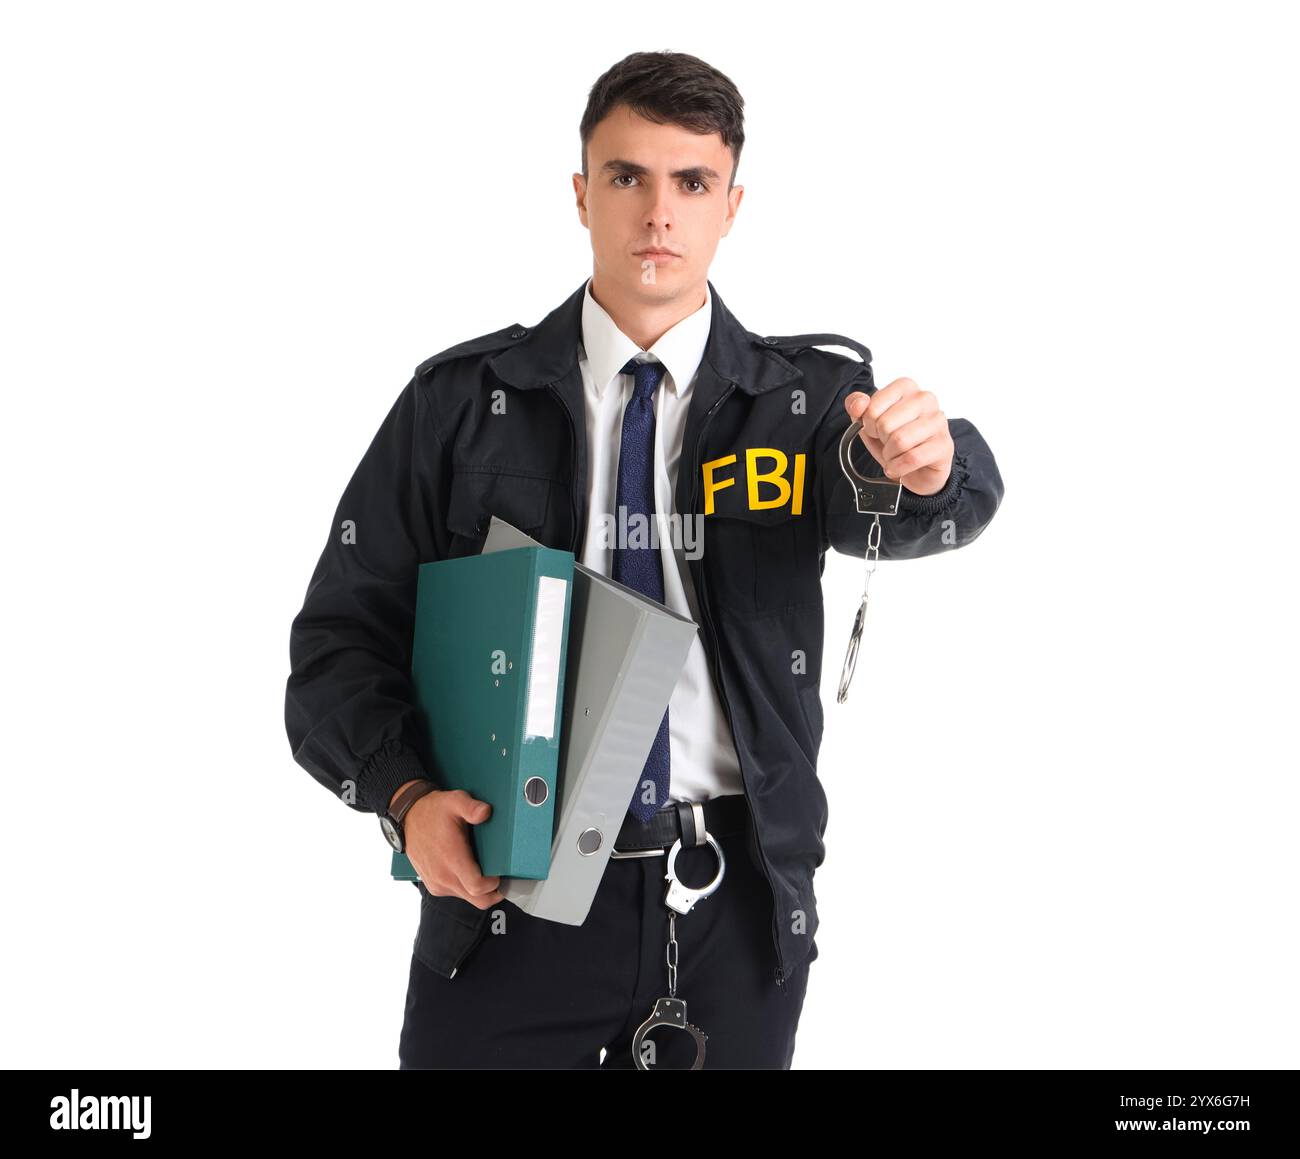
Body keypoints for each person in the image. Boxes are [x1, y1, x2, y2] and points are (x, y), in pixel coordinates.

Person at [284, 49, 1005, 1069]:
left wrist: (933, 468)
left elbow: (906, 495)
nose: (657, 215)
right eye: (626, 177)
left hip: (734, 900)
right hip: (508, 896)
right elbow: (336, 645)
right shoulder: (458, 405)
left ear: (731, 205)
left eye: (691, 183)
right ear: (581, 194)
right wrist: (404, 798)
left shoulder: (802, 404)